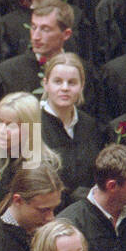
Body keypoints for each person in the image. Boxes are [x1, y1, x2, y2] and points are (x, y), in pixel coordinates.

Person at [40, 52, 106, 197]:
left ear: (82, 86)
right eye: (57, 81)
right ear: (46, 84)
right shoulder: (33, 124)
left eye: (72, 82)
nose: (65, 88)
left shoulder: (90, 125)